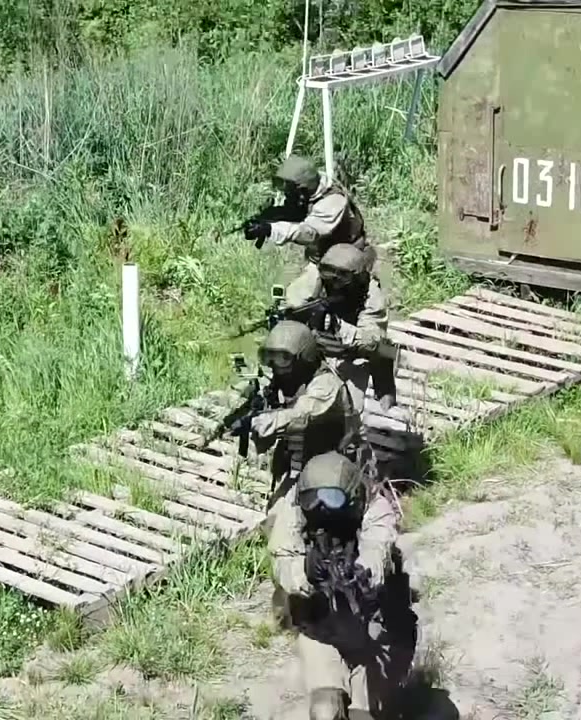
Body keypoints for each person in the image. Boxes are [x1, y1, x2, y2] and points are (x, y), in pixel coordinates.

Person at [267, 451, 415, 720]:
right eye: (315, 502)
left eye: (332, 501)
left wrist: (359, 575)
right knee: (325, 710)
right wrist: (305, 572)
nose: (322, 510)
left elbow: (377, 551)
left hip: (375, 631)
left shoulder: (376, 508)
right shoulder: (293, 506)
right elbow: (281, 559)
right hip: (320, 628)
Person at [243, 320, 363, 514]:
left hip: (335, 465)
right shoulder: (288, 380)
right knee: (276, 510)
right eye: (270, 357)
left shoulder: (326, 383)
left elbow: (301, 413)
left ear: (303, 356)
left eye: (283, 358)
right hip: (303, 458)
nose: (275, 365)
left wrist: (263, 421)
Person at [243, 155, 374, 307]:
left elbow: (309, 233)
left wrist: (271, 229)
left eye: (290, 188)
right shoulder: (312, 193)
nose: (287, 192)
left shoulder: (332, 201)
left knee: (298, 304)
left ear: (303, 188)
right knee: (292, 297)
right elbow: (297, 211)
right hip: (321, 256)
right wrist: (268, 218)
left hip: (344, 263)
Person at [284, 242, 396, 413]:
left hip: (351, 355)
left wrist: (338, 326)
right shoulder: (316, 278)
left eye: (343, 276)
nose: (334, 282)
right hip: (316, 349)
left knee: (347, 412)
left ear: (357, 277)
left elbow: (372, 340)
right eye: (328, 272)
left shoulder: (371, 296)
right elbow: (294, 300)